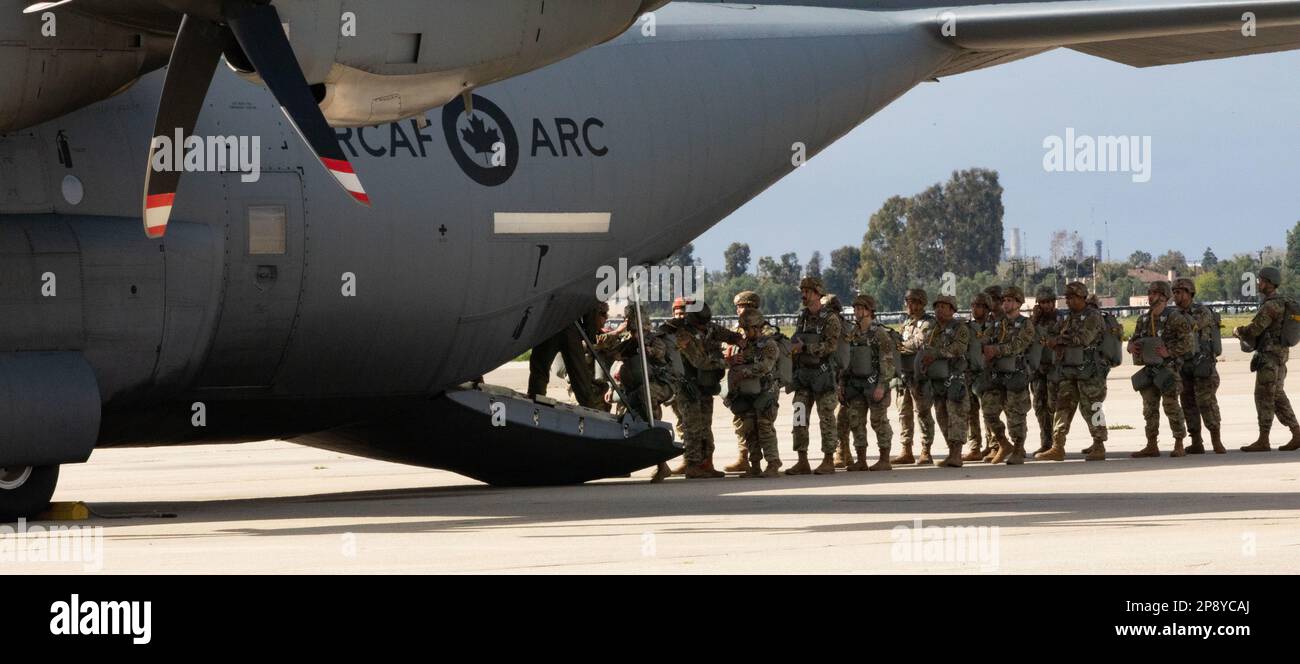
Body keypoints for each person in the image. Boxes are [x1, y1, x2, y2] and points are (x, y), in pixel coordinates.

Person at [596, 304, 676, 482]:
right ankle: (625, 464)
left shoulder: (653, 339)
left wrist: (644, 346)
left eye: (630, 320)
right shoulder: (627, 342)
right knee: (623, 424)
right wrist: (611, 387)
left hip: (652, 388)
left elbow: (658, 353)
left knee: (651, 424)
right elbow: (612, 356)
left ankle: (662, 466)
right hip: (631, 389)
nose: (627, 323)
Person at [672, 301, 744, 478]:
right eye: (701, 323)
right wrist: (728, 362)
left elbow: (727, 334)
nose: (704, 326)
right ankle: (692, 464)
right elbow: (699, 361)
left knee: (705, 425)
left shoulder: (708, 327)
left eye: (706, 323)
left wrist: (739, 339)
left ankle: (706, 463)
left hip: (705, 385)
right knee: (692, 426)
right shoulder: (683, 335)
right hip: (688, 386)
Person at [1041, 282, 1109, 461]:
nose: (1069, 301)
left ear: (1082, 298)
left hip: (1090, 372)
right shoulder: (1068, 318)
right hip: (1069, 370)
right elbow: (1049, 334)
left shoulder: (1093, 316)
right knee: (1062, 407)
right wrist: (1051, 337)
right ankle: (1058, 446)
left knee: (1093, 408)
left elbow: (1084, 339)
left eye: (1072, 298)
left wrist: (1060, 341)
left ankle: (1099, 444)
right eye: (1067, 298)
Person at [1235, 266, 1300, 452]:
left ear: (1268, 283)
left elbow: (1255, 330)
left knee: (1264, 396)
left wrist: (1238, 331)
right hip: (1281, 357)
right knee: (1277, 395)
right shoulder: (1283, 302)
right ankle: (1296, 432)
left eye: (1261, 280)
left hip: (1269, 358)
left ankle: (1264, 439)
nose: (1258, 283)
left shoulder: (1271, 305)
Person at [1128, 281, 1193, 458]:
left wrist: (1169, 352)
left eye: (1154, 293)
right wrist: (1131, 347)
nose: (1150, 296)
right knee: (1149, 409)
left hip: (1168, 370)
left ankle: (1179, 442)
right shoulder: (1143, 319)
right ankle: (1151, 444)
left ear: (1164, 296)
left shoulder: (1175, 318)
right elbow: (1133, 339)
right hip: (1149, 370)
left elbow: (1188, 343)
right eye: (1149, 292)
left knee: (1171, 406)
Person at [788, 277, 842, 475]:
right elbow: (796, 337)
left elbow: (831, 346)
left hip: (823, 376)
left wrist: (805, 347)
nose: (804, 295)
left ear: (818, 294)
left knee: (826, 418)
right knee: (799, 416)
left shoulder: (830, 319)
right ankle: (802, 460)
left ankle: (828, 459)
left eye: (808, 291)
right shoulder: (802, 317)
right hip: (803, 377)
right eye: (802, 291)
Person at [839, 294, 896, 471]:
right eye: (855, 308)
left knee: (878, 421)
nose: (856, 312)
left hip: (874, 385)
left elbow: (887, 361)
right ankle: (861, 459)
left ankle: (884, 459)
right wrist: (842, 383)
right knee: (856, 421)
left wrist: (882, 385)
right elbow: (846, 361)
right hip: (855, 385)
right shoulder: (853, 333)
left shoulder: (879, 333)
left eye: (860, 308)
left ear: (869, 311)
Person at [980, 286, 1036, 464]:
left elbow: (1018, 345)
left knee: (1016, 415)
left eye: (1010, 300)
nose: (1006, 303)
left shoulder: (1025, 324)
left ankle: (1018, 448)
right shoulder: (997, 324)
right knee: (989, 411)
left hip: (1016, 375)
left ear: (1018, 303)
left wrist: (996, 350)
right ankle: (1004, 444)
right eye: (1004, 300)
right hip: (997, 375)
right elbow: (983, 339)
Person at [727, 309, 784, 478]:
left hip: (767, 391)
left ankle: (773, 463)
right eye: (743, 329)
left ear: (757, 327)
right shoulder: (746, 346)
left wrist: (744, 372)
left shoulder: (769, 345)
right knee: (749, 428)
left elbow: (765, 367)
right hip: (749, 391)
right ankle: (755, 464)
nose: (744, 333)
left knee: (765, 426)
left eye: (747, 329)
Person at [1172, 278, 1226, 454]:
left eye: (1180, 292)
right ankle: (1196, 441)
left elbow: (1190, 326)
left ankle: (1216, 440)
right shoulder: (1174, 314)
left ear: (1190, 293)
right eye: (1174, 292)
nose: (1176, 295)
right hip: (1183, 365)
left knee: (1206, 402)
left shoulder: (1202, 312)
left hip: (1203, 364)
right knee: (1187, 403)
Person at [527, 303, 608, 409]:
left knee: (540, 370)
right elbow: (590, 308)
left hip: (548, 325)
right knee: (579, 376)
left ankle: (535, 402)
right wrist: (590, 336)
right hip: (570, 328)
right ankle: (589, 406)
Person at [894, 288, 936, 465]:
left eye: (913, 302)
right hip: (904, 375)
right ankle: (906, 449)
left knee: (923, 412)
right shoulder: (907, 323)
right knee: (904, 413)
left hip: (920, 376)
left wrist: (899, 346)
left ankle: (926, 450)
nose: (909, 305)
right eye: (907, 301)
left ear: (921, 303)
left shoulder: (928, 323)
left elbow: (919, 343)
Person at [724, 290, 764, 473]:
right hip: (739, 384)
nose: (739, 310)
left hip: (759, 383)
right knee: (741, 421)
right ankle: (743, 456)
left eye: (742, 306)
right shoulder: (736, 329)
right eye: (738, 307)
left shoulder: (763, 328)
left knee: (761, 423)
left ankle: (764, 460)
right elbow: (726, 348)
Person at [1030, 286, 1064, 456]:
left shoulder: (1061, 319)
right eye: (1041, 303)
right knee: (1039, 406)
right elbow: (1026, 336)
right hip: (1038, 370)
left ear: (1053, 302)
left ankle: (1057, 443)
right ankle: (1046, 442)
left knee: (1053, 406)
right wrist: (1034, 319)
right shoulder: (1035, 321)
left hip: (1054, 368)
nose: (1045, 306)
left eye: (1048, 302)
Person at [964, 292, 996, 461]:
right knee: (970, 412)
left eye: (979, 306)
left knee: (989, 412)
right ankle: (975, 447)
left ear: (987, 308)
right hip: (969, 374)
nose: (975, 309)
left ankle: (992, 445)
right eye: (974, 306)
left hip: (988, 374)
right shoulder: (967, 328)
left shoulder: (995, 327)